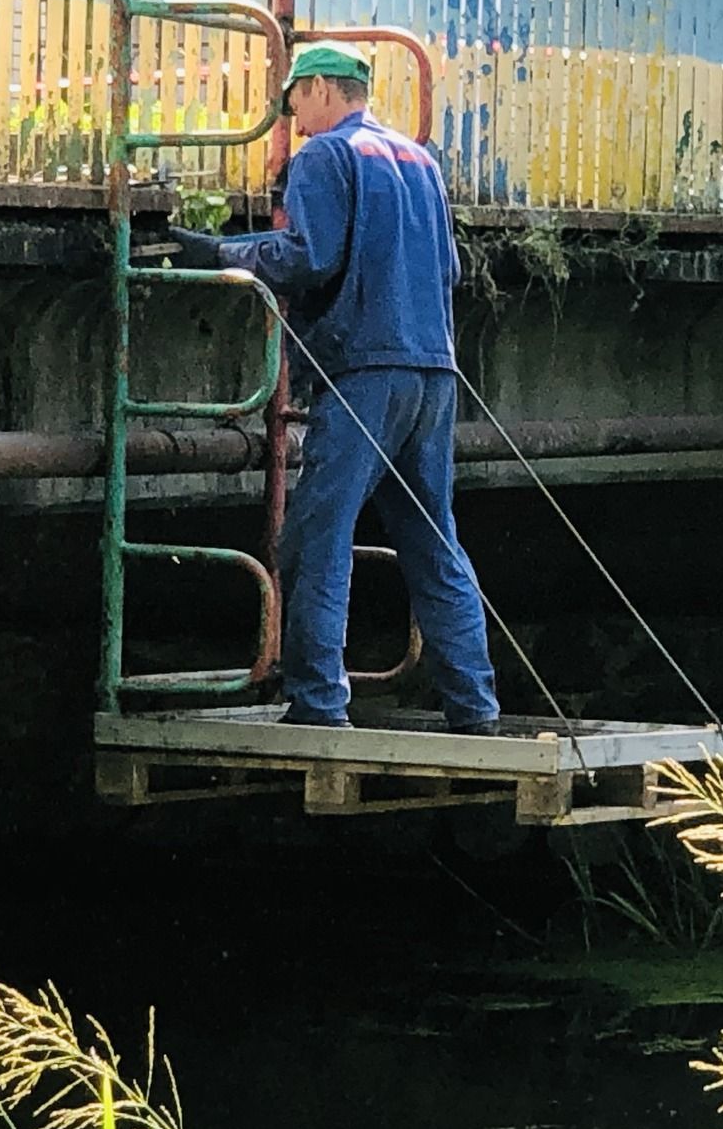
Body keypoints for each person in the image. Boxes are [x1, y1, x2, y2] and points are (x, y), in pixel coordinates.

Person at [167, 42, 500, 734]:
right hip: (434, 371)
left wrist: (220, 253)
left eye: (295, 96)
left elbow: (308, 257)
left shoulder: (324, 157)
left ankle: (319, 704)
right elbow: (451, 270)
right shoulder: (418, 159)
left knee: (317, 534)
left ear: (321, 89)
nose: (292, 112)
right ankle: (476, 708)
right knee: (434, 541)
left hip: (363, 373)